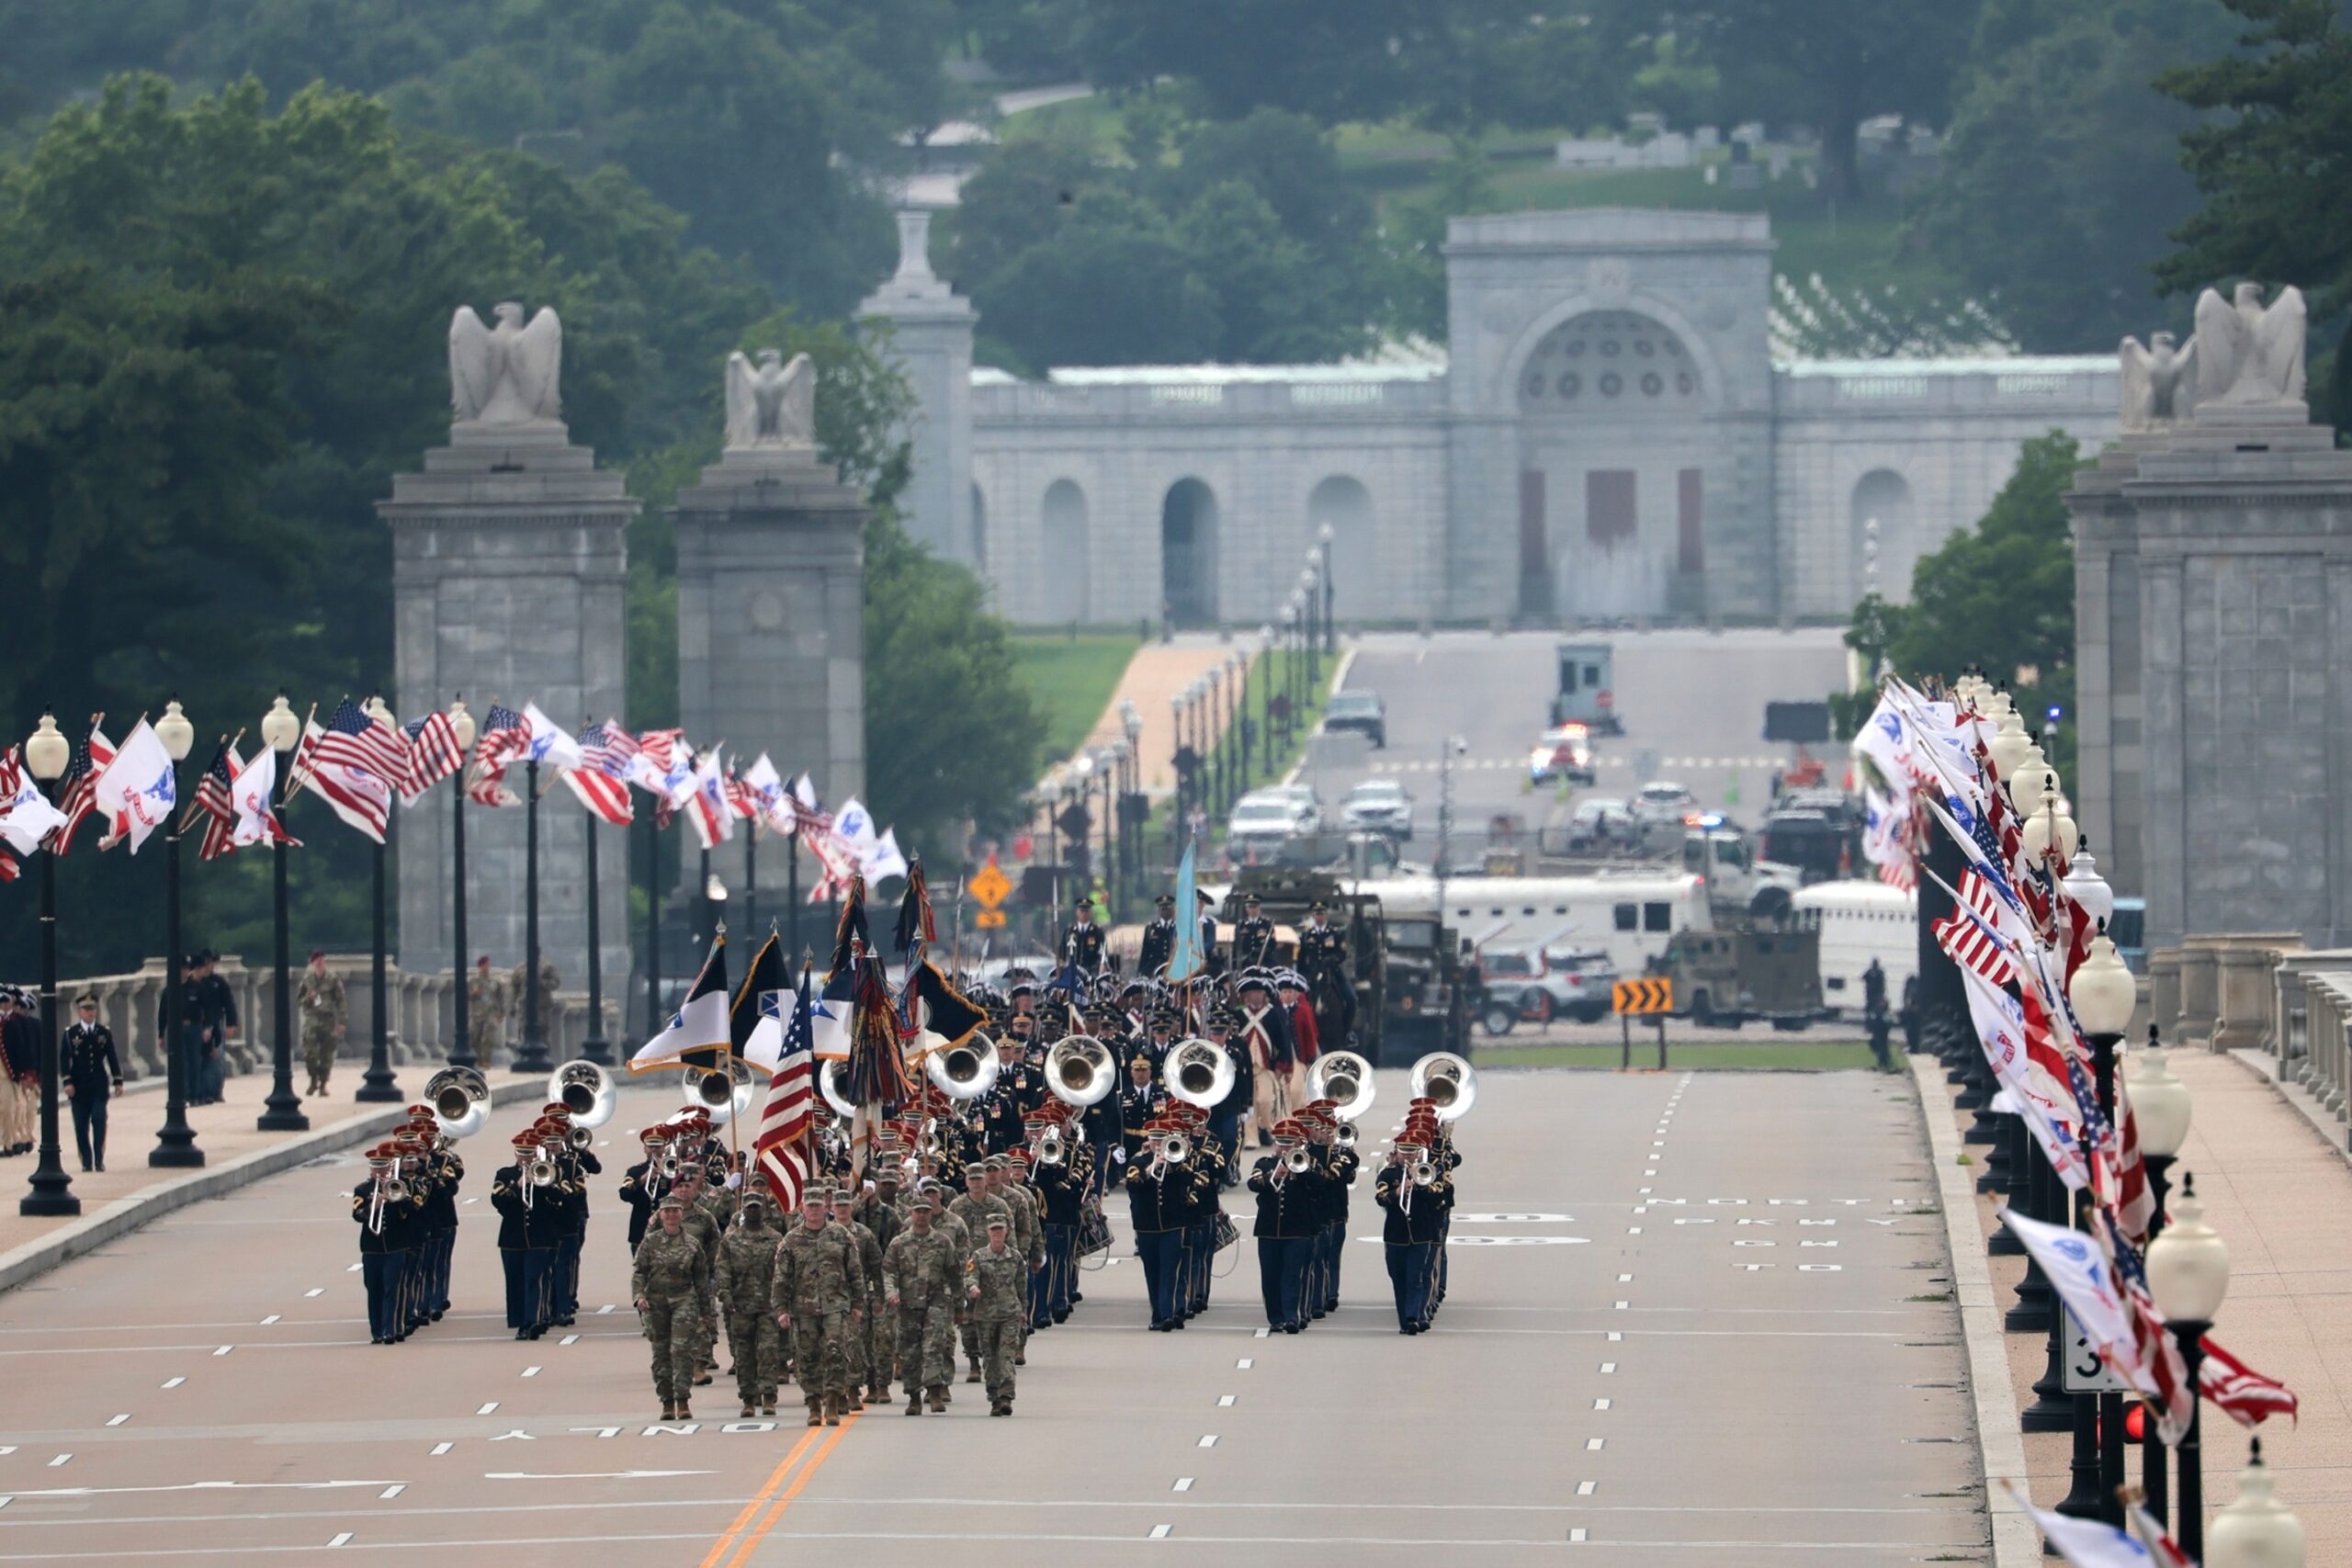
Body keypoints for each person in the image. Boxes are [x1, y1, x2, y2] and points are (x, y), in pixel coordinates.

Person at [771, 1187, 867, 1427]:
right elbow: (781, 1278)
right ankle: (814, 1405)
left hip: (836, 1305)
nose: (814, 1210)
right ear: (803, 1208)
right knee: (807, 1357)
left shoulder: (841, 1235)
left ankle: (833, 1403)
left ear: (826, 1207)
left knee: (835, 1353)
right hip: (803, 1309)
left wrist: (858, 1303)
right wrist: (781, 1309)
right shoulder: (791, 1240)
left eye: (818, 1205)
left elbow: (855, 1272)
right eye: (809, 1206)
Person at [631, 1194, 710, 1422]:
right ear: (661, 1215)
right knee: (661, 1353)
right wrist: (639, 1296)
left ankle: (683, 1399)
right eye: (667, 1211)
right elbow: (639, 1272)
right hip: (656, 1302)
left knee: (681, 1350)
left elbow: (701, 1279)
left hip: (684, 1299)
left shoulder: (692, 1244)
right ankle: (666, 1401)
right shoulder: (650, 1242)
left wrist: (706, 1312)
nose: (672, 1215)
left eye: (676, 1210)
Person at [882, 1190, 959, 1413]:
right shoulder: (899, 1243)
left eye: (926, 1211)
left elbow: (954, 1273)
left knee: (933, 1346)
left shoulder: (942, 1242)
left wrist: (960, 1304)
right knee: (910, 1351)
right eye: (918, 1212)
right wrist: (891, 1293)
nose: (922, 1216)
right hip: (907, 1306)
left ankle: (935, 1393)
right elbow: (888, 1272)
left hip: (936, 1302)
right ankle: (914, 1397)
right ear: (911, 1213)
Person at [1248, 1120, 1319, 1333]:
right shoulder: (1264, 1164)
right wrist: (1272, 1176)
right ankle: (1275, 1317)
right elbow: (1253, 1184)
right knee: (1270, 1276)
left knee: (1292, 1275)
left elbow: (1319, 1186)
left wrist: (1301, 1172)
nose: (1285, 1148)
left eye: (1290, 1144)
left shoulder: (1307, 1164)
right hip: (1268, 1231)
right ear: (1275, 1144)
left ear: (1297, 1144)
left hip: (1297, 1230)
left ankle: (1291, 1316)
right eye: (1282, 1143)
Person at [1374, 1132, 1449, 1334]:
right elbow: (1380, 1198)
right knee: (1399, 1279)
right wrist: (1396, 1193)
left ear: (1418, 1154)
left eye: (1411, 1153)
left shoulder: (1427, 1173)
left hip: (1421, 1234)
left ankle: (1413, 1317)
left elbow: (1437, 1198)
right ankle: (1404, 1321)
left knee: (1415, 1277)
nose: (1406, 1157)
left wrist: (1420, 1186)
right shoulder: (1388, 1174)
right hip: (1396, 1236)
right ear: (1397, 1152)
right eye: (1403, 1152)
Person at [717, 1195, 784, 1418]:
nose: (754, 1211)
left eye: (757, 1208)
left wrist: (784, 1300)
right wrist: (725, 1296)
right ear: (744, 1211)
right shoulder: (731, 1240)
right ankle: (748, 1398)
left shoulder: (775, 1239)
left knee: (768, 1352)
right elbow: (723, 1270)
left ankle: (768, 1397)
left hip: (768, 1306)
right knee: (744, 1356)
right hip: (741, 1306)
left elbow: (783, 1272)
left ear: (764, 1210)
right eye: (750, 1208)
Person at [353, 1145, 422, 1344]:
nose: (378, 1172)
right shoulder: (362, 1190)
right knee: (374, 1289)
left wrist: (394, 1198)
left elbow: (412, 1210)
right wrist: (371, 1207)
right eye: (375, 1168)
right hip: (371, 1248)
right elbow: (357, 1215)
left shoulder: (400, 1186)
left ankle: (390, 1330)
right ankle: (377, 1331)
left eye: (382, 1168)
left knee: (392, 1288)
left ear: (389, 1168)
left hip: (395, 1246)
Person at [830, 1190, 888, 1408]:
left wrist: (879, 1296)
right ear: (832, 1208)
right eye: (839, 1205)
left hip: (858, 1297)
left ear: (851, 1208)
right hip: (831, 1299)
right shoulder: (824, 1233)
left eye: (846, 1205)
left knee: (860, 1343)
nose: (843, 1209)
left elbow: (876, 1266)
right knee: (836, 1346)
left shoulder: (863, 1234)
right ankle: (841, 1391)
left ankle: (857, 1388)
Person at [966, 1214, 1027, 1416]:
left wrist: (1024, 1311)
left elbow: (1021, 1287)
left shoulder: (1015, 1257)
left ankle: (1006, 1396)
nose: (997, 1234)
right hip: (986, 1314)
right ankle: (994, 1398)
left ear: (1006, 1232)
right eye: (994, 1230)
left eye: (1000, 1230)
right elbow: (970, 1277)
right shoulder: (978, 1256)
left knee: (1006, 1355)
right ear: (988, 1233)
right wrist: (973, 1288)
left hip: (1010, 1312)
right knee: (990, 1358)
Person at [61, 993, 123, 1172]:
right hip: (79, 1085)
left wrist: (117, 1080)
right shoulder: (71, 1034)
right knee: (80, 1124)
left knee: (98, 1118)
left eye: (92, 1009)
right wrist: (67, 1082)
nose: (89, 1013)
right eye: (86, 1009)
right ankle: (86, 1159)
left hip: (98, 1083)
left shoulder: (103, 1032)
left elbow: (112, 1056)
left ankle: (99, 1157)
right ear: (79, 1011)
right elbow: (64, 1060)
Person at [1235, 972, 1296, 1147]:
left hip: (1265, 1068)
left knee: (1265, 1100)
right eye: (1253, 992)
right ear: (1247, 995)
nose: (1256, 995)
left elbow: (1284, 1041)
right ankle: (1251, 1137)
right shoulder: (1239, 1014)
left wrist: (1283, 1066)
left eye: (1259, 992)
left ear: (1264, 994)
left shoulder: (1274, 1014)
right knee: (1248, 1103)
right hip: (1244, 1069)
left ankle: (1264, 1127)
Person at [297, 951, 346, 1099]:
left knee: (327, 1054)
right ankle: (313, 1080)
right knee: (310, 1053)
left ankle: (323, 1084)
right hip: (312, 1019)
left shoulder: (332, 978)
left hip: (328, 1019)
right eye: (317, 961)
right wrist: (308, 998)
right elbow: (299, 1000)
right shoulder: (307, 979)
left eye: (322, 961)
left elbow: (340, 1000)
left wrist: (342, 1021)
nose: (320, 963)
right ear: (312, 963)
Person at [194, 952, 238, 1104]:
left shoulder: (219, 983)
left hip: (216, 1022)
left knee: (216, 1058)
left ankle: (215, 1091)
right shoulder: (196, 983)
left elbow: (229, 1004)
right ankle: (201, 1092)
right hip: (199, 1023)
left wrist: (232, 1023)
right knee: (201, 1059)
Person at [467, 957, 507, 1066]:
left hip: (491, 1013)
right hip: (477, 1013)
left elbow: (500, 997)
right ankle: (478, 1059)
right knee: (475, 1037)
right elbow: (465, 997)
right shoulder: (473, 981)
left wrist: (502, 1012)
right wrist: (473, 994)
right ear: (480, 966)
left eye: (488, 965)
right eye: (485, 965)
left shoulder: (494, 982)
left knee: (488, 1037)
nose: (487, 968)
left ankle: (486, 1060)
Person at [1058, 897, 1106, 980]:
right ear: (1077, 912)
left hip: (1091, 973)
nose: (1084, 914)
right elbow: (1061, 954)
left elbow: (1103, 954)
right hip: (1074, 973)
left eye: (1086, 911)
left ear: (1091, 913)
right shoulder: (1069, 931)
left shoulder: (1097, 932)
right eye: (1082, 911)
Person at [1137, 894, 1179, 980]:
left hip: (1174, 964)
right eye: (1162, 908)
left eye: (1168, 908)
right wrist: (1140, 972)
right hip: (1155, 965)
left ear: (1173, 909)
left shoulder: (1178, 928)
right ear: (1159, 910)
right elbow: (1145, 953)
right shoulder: (1151, 929)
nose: (1165, 911)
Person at [1232, 894, 1276, 971]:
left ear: (1259, 907)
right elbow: (1237, 945)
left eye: (1255, 906)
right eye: (1250, 907)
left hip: (1263, 960)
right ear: (1246, 908)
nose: (1252, 909)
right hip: (1245, 961)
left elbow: (1272, 944)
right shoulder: (1241, 925)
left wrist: (1259, 952)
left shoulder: (1266, 924)